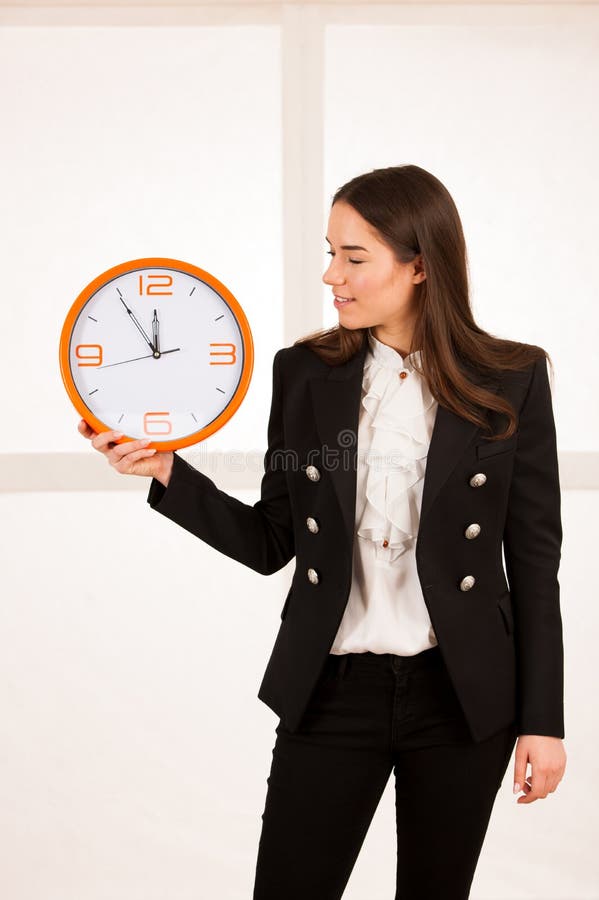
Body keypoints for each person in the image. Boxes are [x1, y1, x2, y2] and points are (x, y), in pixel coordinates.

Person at [79, 164, 567, 899]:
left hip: (464, 697)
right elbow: (273, 541)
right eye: (330, 252)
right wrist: (166, 474)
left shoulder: (513, 377)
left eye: (354, 257)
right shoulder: (305, 373)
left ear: (420, 265)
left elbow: (534, 562)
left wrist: (543, 720)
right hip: (333, 689)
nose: (330, 275)